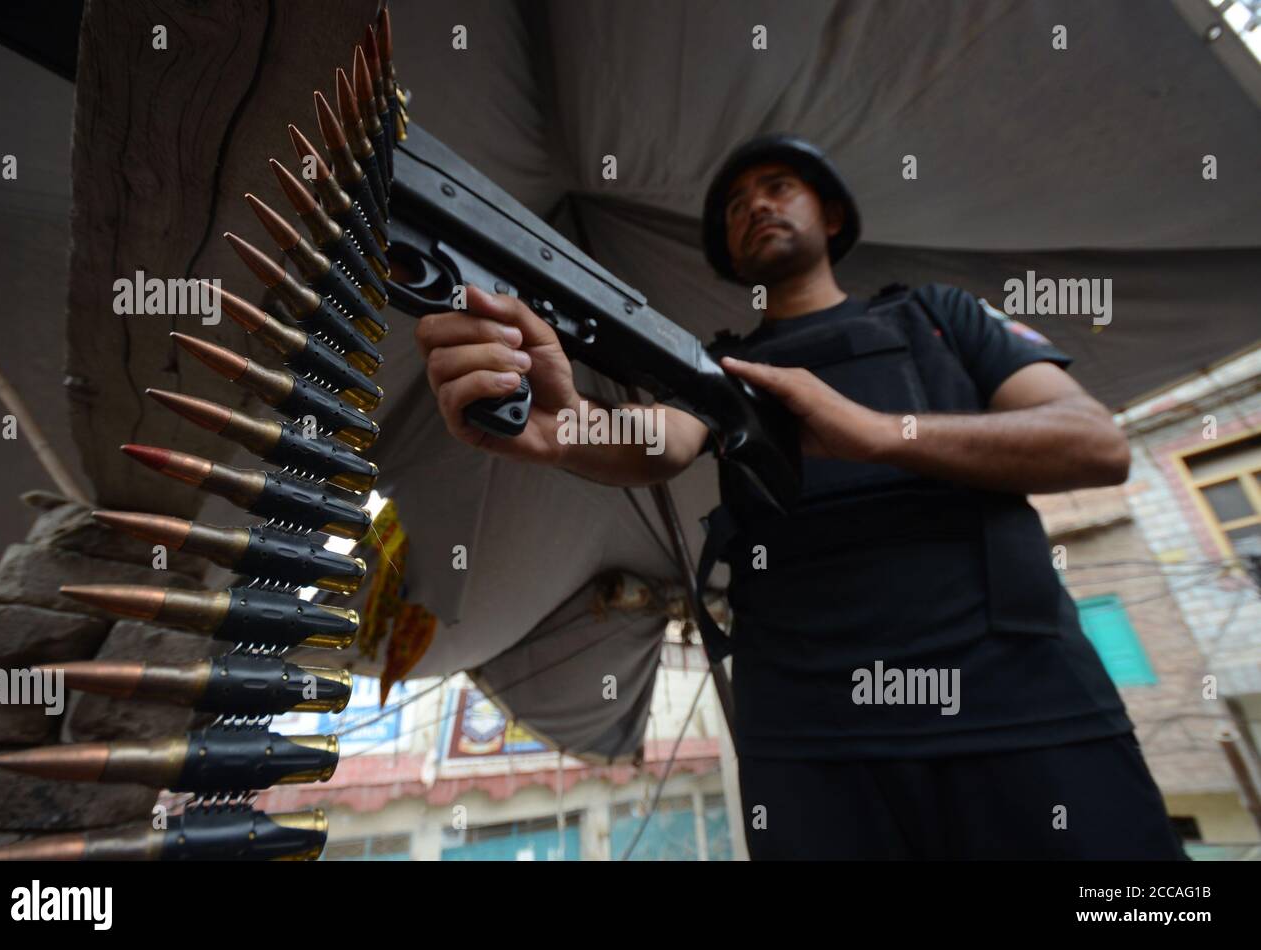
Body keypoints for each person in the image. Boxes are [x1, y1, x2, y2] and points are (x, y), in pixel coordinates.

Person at [413, 133, 1188, 860]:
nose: (756, 205)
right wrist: (572, 428)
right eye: (736, 202)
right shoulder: (721, 367)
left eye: (779, 187)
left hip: (1022, 703)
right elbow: (665, 442)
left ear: (832, 213)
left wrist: (880, 435)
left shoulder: (939, 317)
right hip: (809, 733)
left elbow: (1095, 442)